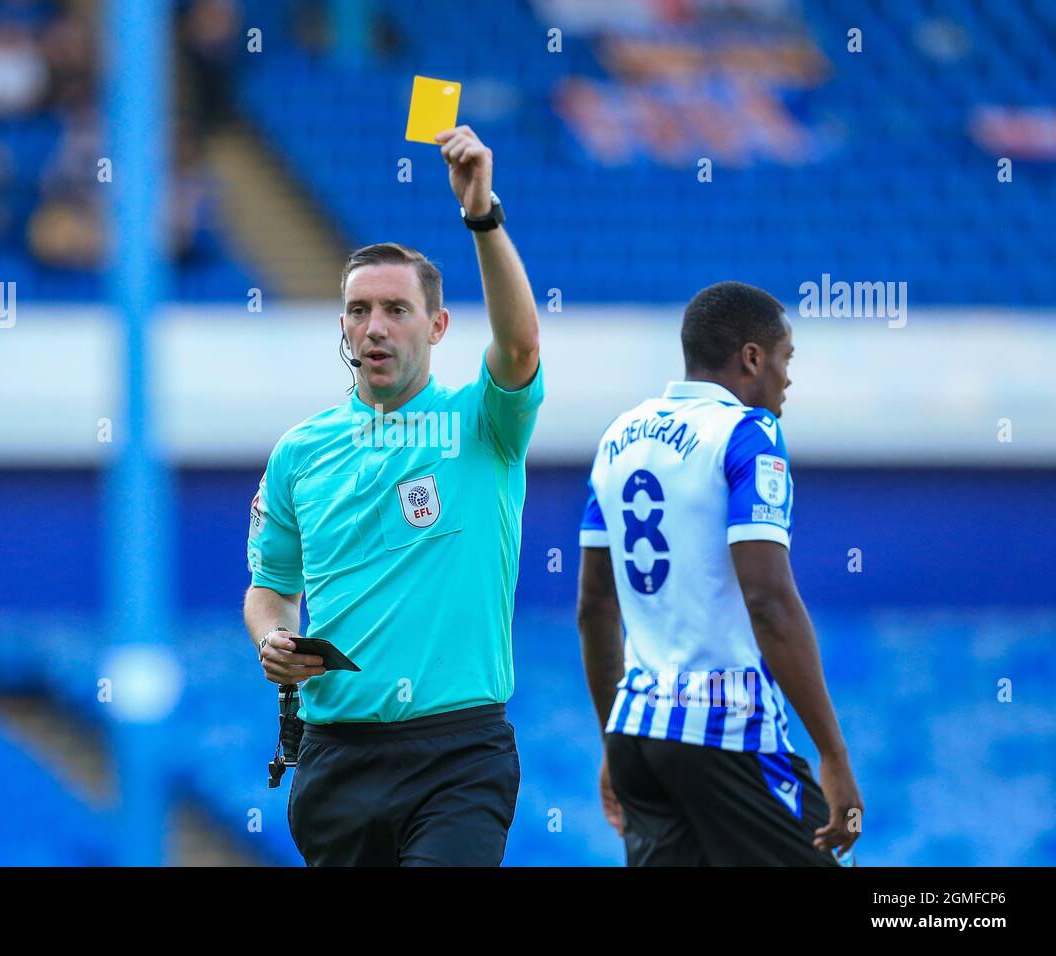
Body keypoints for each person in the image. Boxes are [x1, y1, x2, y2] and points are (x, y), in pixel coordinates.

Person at [243, 126, 542, 866]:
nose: (374, 327)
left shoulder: (481, 422)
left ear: (438, 326)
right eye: (358, 310)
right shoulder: (300, 451)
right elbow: (270, 588)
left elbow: (522, 348)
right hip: (336, 758)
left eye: (396, 310)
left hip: (457, 755)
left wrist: (483, 216)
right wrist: (272, 641)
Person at [576, 280, 863, 865]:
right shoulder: (748, 435)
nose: (788, 378)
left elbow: (594, 608)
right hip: (726, 732)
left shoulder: (617, 437)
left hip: (637, 734)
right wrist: (833, 755)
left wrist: (616, 734)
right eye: (785, 359)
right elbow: (769, 601)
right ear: (752, 358)